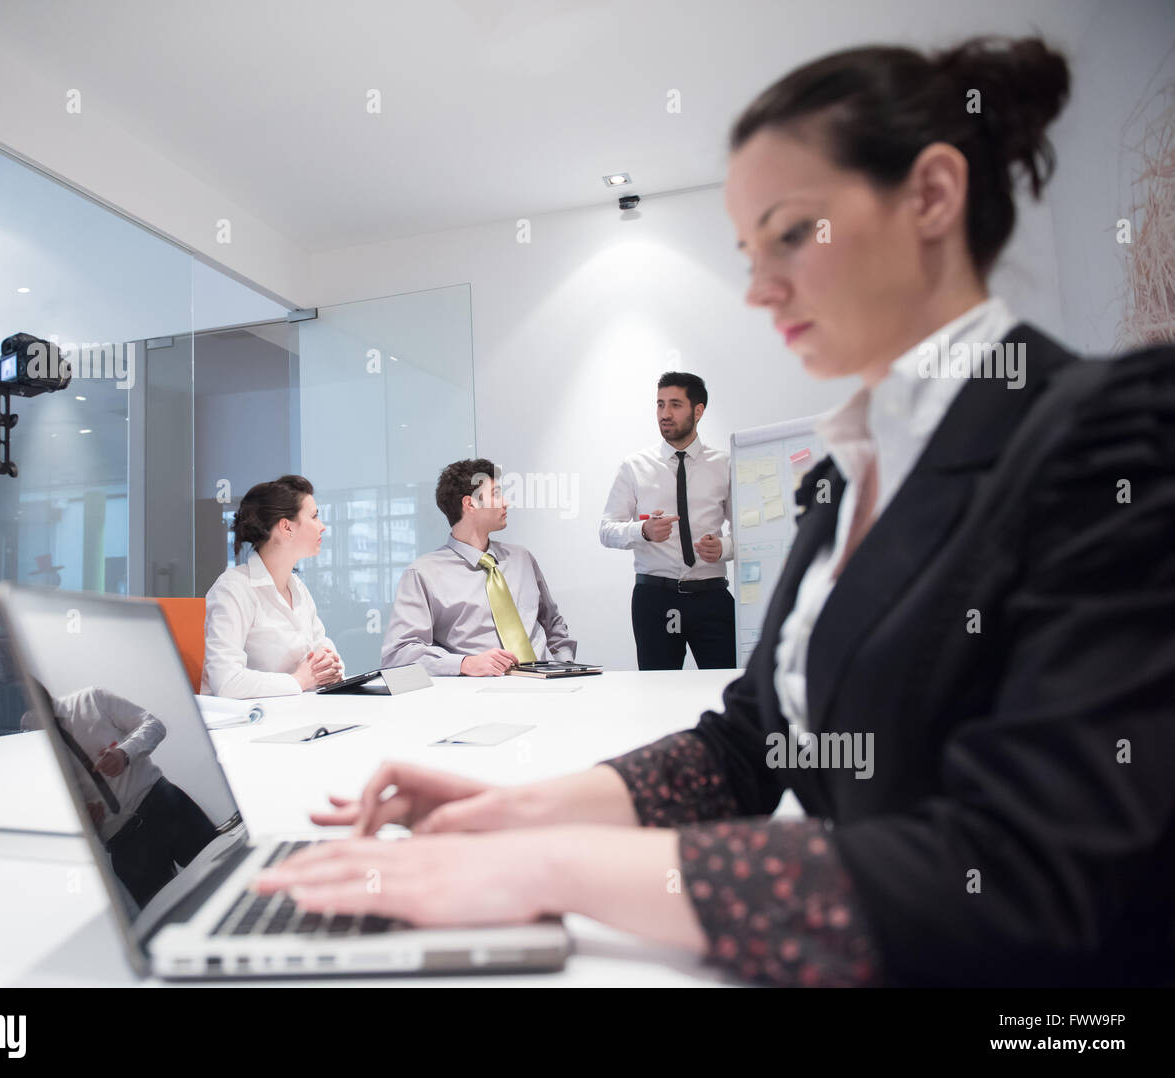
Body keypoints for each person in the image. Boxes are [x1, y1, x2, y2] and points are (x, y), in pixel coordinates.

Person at [249, 37, 1175, 987]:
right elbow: (749, 745)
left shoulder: (1112, 432)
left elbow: (1034, 879)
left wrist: (543, 865)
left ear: (932, 196)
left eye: (788, 233)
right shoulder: (845, 480)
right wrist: (515, 811)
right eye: (748, 250)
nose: (759, 287)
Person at [24, 682, 219, 910]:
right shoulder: (26, 744)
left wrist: (124, 752)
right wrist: (81, 820)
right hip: (125, 846)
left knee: (227, 876)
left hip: (165, 806)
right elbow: (44, 809)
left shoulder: (91, 700)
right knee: (169, 919)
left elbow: (154, 725)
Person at [380, 459, 576, 676]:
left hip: (550, 687)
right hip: (480, 697)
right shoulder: (423, 574)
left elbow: (553, 622)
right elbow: (398, 655)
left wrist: (563, 664)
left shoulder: (522, 559)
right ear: (470, 504)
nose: (505, 503)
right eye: (496, 494)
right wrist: (464, 664)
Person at [600, 372, 736, 670]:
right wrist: (643, 530)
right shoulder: (634, 466)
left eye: (675, 405)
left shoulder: (725, 464)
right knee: (656, 694)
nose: (665, 414)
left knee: (724, 688)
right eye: (660, 405)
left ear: (698, 411)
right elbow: (606, 530)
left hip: (711, 596)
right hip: (655, 599)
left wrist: (724, 548)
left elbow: (750, 532)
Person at [201, 475, 345, 698]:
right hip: (248, 723)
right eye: (314, 517)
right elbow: (227, 682)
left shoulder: (298, 588)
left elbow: (324, 650)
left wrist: (331, 669)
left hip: (296, 714)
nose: (322, 527)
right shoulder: (233, 589)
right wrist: (299, 680)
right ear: (287, 527)